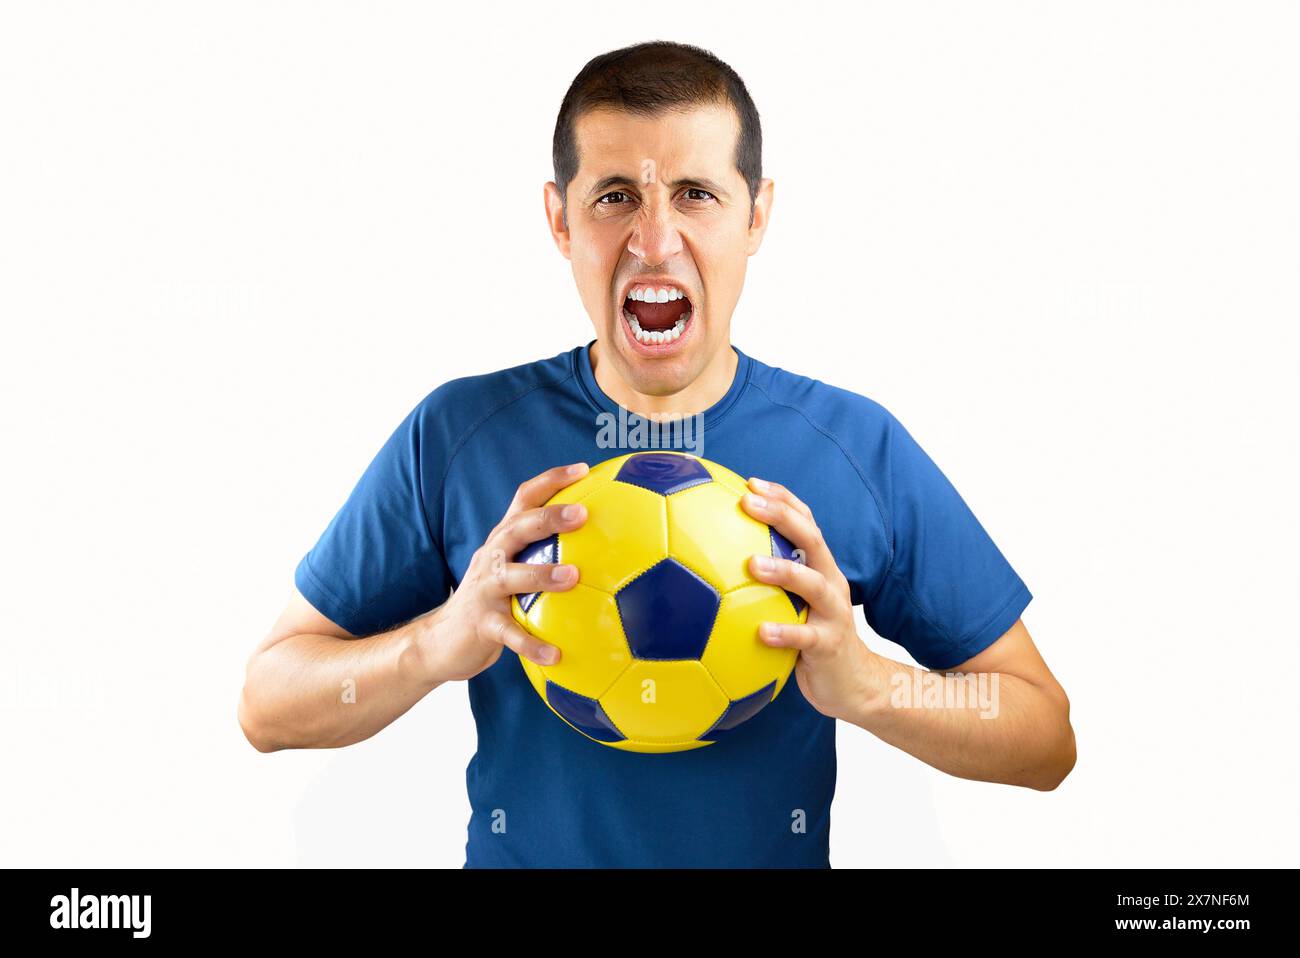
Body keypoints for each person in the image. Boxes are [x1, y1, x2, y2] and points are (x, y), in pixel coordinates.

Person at [238, 40, 1075, 868]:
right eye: (613, 198)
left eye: (696, 193)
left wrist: (873, 686)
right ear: (559, 220)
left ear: (758, 216)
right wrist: (435, 642)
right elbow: (267, 703)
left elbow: (1043, 736)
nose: (654, 239)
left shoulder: (854, 447)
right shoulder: (462, 434)